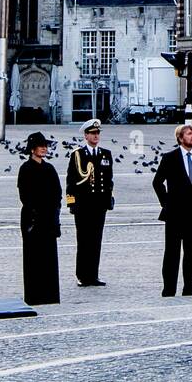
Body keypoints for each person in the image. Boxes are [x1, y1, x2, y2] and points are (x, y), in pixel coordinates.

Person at [152, 122, 192, 297]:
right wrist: (166, 202)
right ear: (180, 138)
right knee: (172, 253)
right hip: (175, 213)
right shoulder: (170, 157)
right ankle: (169, 288)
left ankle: (188, 286)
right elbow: (157, 182)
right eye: (189, 134)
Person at [66, 118, 114, 287]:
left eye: (97, 133)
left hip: (99, 205)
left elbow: (108, 180)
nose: (96, 136)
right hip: (83, 205)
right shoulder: (78, 155)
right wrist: (71, 203)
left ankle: (93, 275)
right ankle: (82, 275)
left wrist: (109, 200)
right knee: (84, 240)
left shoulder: (105, 154)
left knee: (96, 240)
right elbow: (71, 181)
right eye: (92, 133)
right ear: (85, 135)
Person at [17, 131, 62, 306]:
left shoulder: (49, 168)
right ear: (32, 149)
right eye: (40, 145)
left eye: (46, 146)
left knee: (49, 258)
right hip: (33, 218)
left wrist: (55, 212)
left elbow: (57, 192)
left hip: (49, 218)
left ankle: (49, 295)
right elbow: (25, 195)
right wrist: (38, 212)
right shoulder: (26, 168)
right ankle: (34, 295)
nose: (44, 148)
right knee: (33, 258)